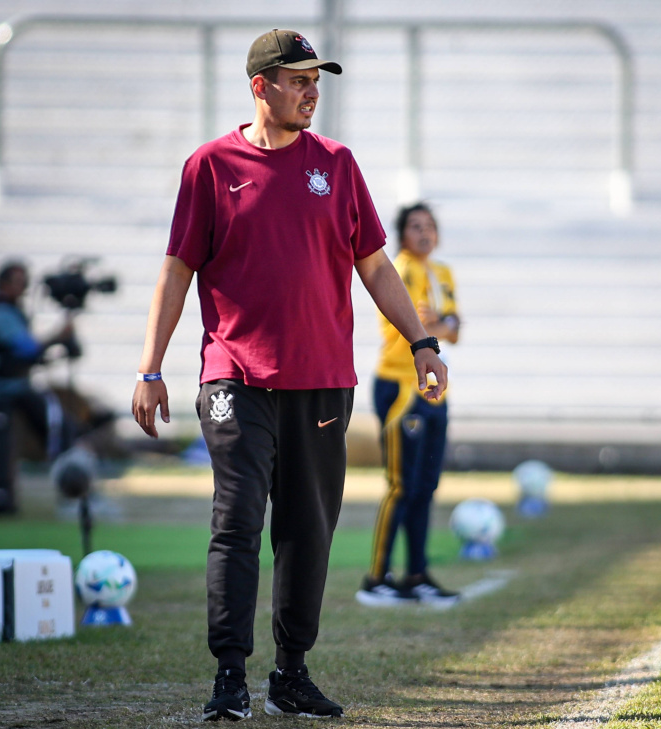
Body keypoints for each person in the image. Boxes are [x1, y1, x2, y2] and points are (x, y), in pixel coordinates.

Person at [131, 29, 447, 722]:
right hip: (234, 379)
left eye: (316, 81)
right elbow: (177, 270)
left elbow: (372, 265)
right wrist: (150, 366)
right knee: (237, 518)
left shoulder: (336, 164)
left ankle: (291, 672)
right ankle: (227, 675)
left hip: (322, 382)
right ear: (260, 86)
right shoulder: (209, 166)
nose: (311, 91)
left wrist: (421, 341)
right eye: (298, 79)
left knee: (307, 528)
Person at [356, 203, 461, 608]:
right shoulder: (397, 269)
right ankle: (377, 577)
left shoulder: (443, 273)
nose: (424, 233)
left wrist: (442, 325)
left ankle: (416, 574)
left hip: (435, 389)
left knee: (426, 487)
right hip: (401, 387)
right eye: (416, 226)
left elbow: (455, 328)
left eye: (430, 226)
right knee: (400, 486)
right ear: (401, 235)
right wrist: (440, 326)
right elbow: (417, 327)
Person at [0, 259, 76, 459]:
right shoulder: (1, 314)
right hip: (9, 389)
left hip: (18, 386)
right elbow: (26, 349)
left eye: (24, 282)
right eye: (17, 282)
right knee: (57, 425)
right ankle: (64, 465)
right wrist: (58, 337)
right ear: (3, 284)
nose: (23, 288)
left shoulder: (9, 311)